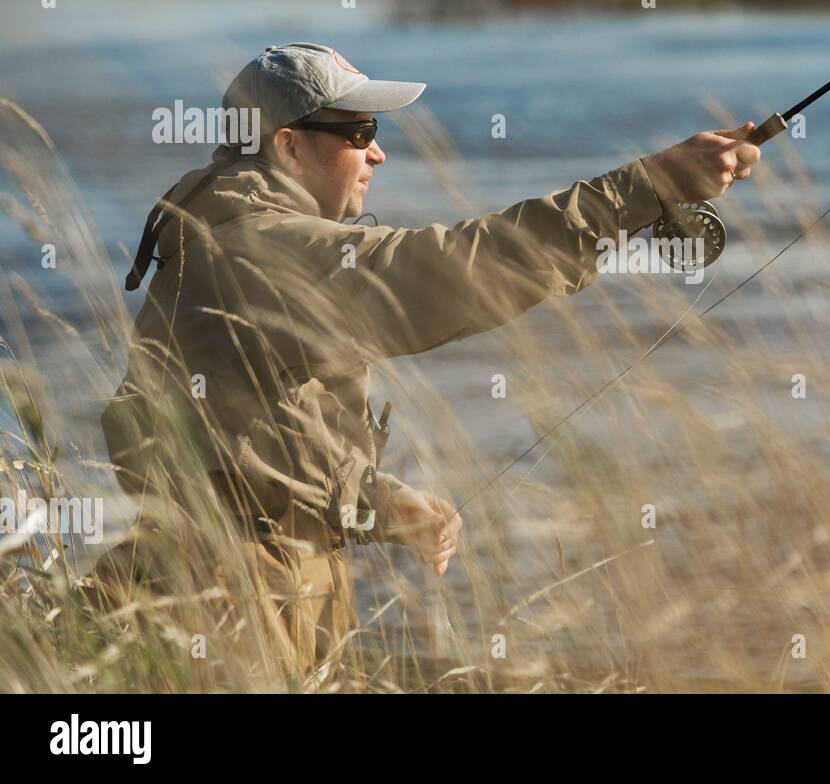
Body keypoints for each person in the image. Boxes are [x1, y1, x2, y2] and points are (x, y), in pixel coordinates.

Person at [95, 42, 761, 682]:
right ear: (289, 145)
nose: (378, 153)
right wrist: (646, 188)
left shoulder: (220, 239)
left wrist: (379, 502)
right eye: (360, 132)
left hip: (229, 574)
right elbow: (458, 269)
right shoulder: (264, 250)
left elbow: (240, 439)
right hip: (237, 592)